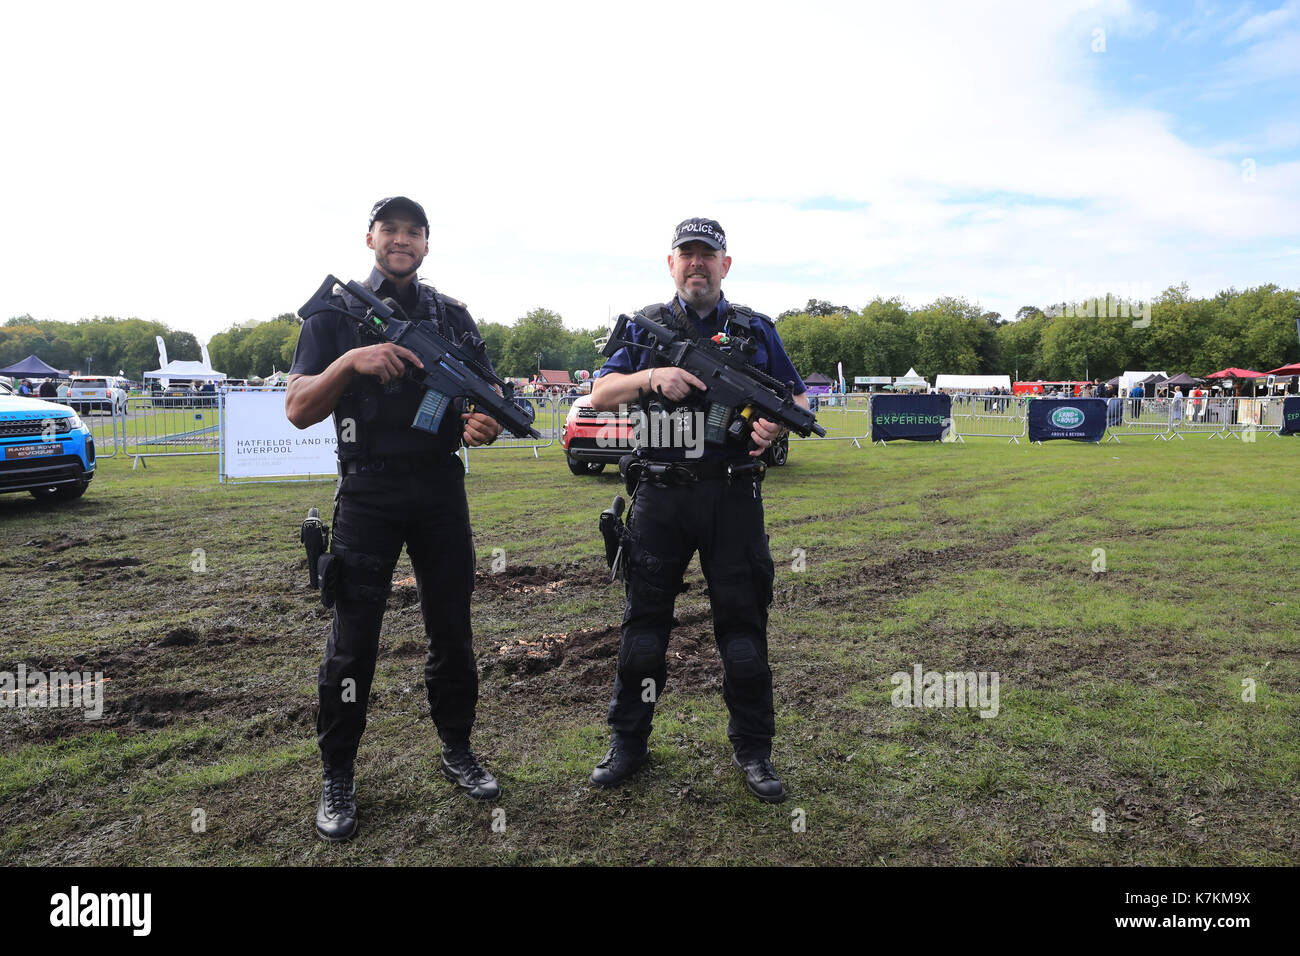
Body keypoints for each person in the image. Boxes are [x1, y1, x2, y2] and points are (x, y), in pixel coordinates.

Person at [285, 196, 506, 842]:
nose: (402, 240)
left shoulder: (454, 318)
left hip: (439, 489)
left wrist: (484, 424)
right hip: (367, 494)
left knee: (453, 631)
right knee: (353, 643)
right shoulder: (335, 313)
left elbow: (487, 400)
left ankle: (457, 748)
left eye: (414, 231)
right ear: (371, 238)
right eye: (391, 230)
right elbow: (298, 407)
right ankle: (338, 774)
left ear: (427, 244)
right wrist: (353, 360)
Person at [587, 217, 810, 804]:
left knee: (743, 631)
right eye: (686, 254)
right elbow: (600, 393)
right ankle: (628, 743)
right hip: (659, 497)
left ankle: (754, 750)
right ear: (671, 263)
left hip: (733, 495)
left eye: (708, 255)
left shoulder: (755, 329)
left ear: (725, 265)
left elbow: (796, 395)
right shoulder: (646, 327)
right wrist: (653, 376)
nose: (697, 264)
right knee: (643, 633)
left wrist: (769, 425)